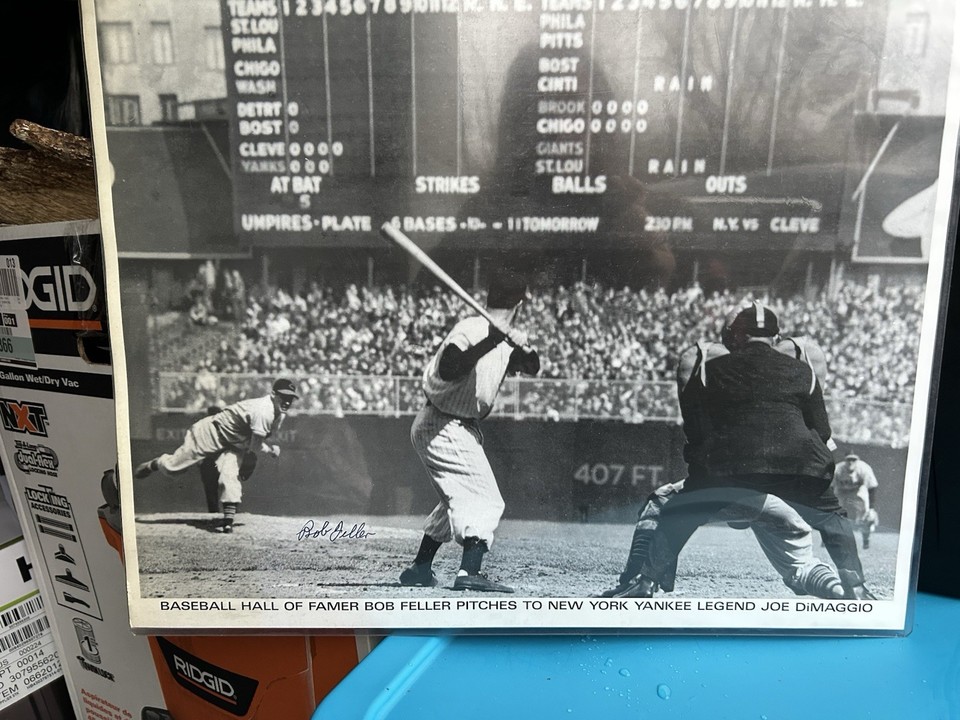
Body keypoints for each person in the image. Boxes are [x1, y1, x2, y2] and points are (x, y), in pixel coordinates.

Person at [608, 302, 872, 599]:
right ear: (776, 337)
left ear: (735, 336)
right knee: (830, 522)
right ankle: (856, 588)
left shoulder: (708, 366)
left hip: (731, 469)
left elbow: (696, 429)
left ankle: (642, 582)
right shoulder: (804, 368)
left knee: (674, 510)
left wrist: (702, 479)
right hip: (794, 475)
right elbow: (822, 431)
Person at [399, 272, 539, 593]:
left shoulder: (506, 337)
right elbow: (449, 368)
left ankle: (421, 568)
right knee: (486, 499)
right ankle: (468, 572)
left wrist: (524, 348)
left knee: (457, 498)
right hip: (443, 423)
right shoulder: (470, 328)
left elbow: (532, 367)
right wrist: (492, 338)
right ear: (519, 303)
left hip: (454, 425)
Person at [134, 378, 298, 533]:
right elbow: (255, 445)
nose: (287, 401)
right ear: (273, 395)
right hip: (212, 432)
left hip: (235, 443)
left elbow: (256, 441)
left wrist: (261, 450)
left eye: (290, 398)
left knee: (229, 475)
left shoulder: (279, 415)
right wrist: (269, 451)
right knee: (173, 468)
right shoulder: (264, 411)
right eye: (283, 396)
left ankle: (227, 522)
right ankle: (155, 464)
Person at [832, 454, 880, 549]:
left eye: (853, 460)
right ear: (845, 461)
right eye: (849, 459)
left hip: (857, 491)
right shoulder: (838, 469)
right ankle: (830, 538)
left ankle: (866, 540)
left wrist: (871, 508)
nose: (851, 462)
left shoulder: (864, 468)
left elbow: (872, 488)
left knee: (867, 516)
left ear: (857, 461)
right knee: (833, 514)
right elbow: (830, 487)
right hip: (841, 491)